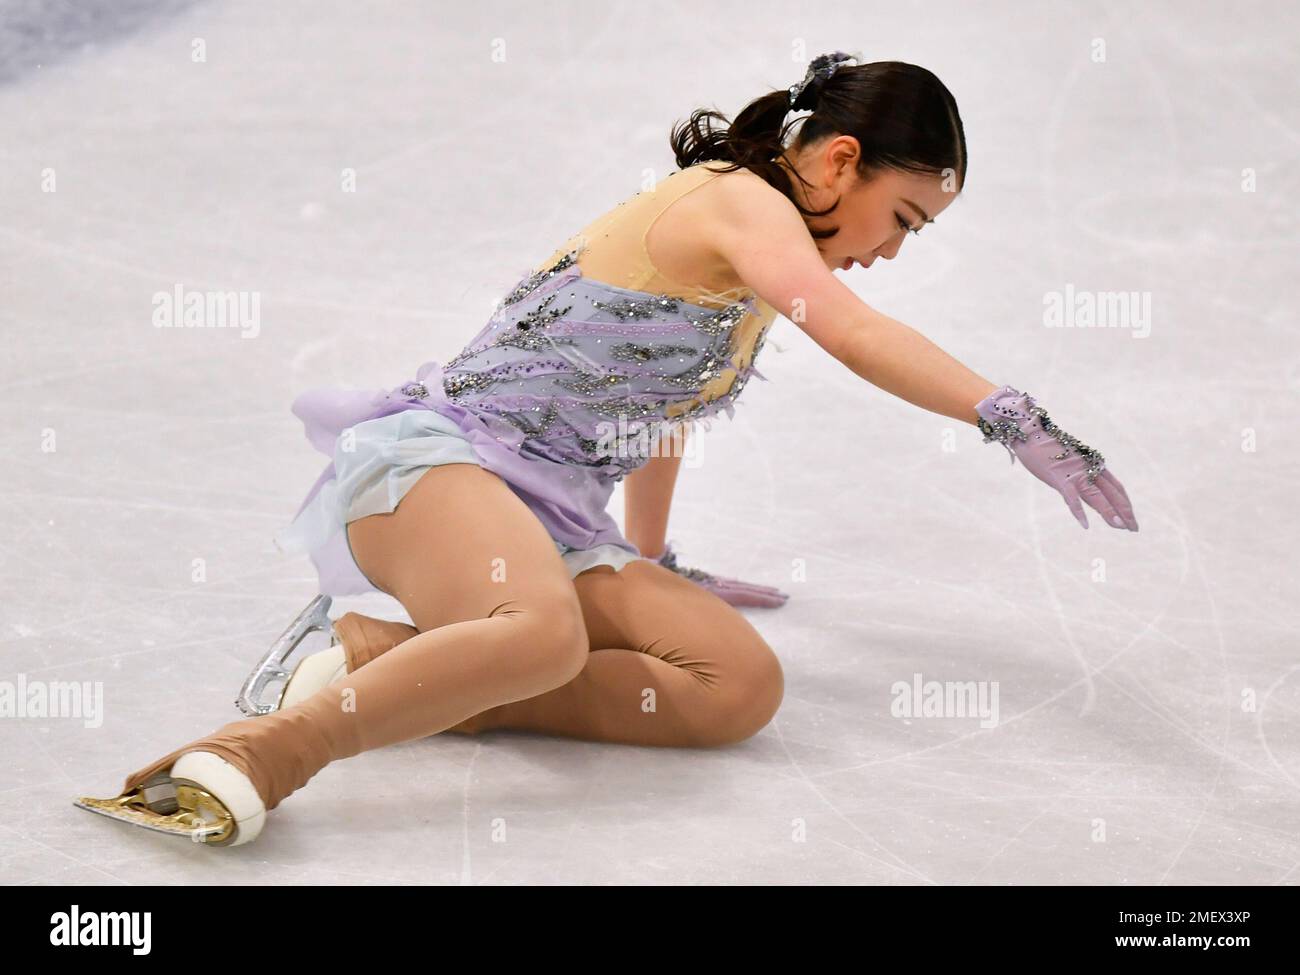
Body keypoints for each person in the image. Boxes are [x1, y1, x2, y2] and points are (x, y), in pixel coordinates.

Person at [75, 53, 1138, 847]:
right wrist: (1008, 414)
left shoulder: (755, 256)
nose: (893, 250)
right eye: (900, 217)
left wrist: (654, 554)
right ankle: (259, 752)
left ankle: (372, 658)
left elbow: (656, 408)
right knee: (539, 634)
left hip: (548, 514)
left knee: (735, 684)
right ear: (840, 159)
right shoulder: (736, 202)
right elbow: (853, 332)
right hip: (441, 467)